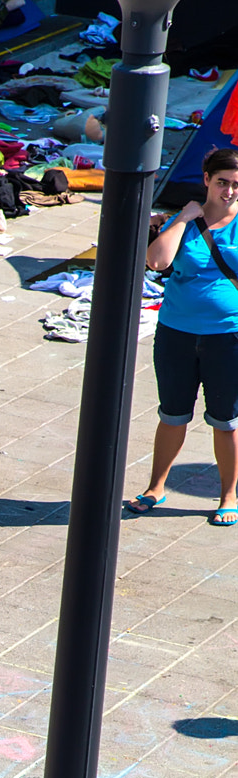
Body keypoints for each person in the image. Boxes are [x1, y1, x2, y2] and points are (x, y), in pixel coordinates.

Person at [130, 146, 238, 525]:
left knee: (225, 420)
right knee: (173, 414)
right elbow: (157, 261)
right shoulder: (187, 219)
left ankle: (228, 494)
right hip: (176, 332)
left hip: (228, 336)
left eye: (236, 186)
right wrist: (182, 218)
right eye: (222, 182)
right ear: (207, 180)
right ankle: (156, 486)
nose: (228, 192)